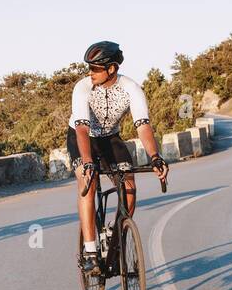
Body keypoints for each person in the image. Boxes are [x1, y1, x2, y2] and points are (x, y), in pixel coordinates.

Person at [68, 41, 168, 270]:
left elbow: (142, 125)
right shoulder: (82, 88)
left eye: (95, 68)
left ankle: (114, 231)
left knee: (129, 187)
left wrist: (155, 156)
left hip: (110, 138)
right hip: (81, 137)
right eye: (89, 68)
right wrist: (87, 162)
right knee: (88, 181)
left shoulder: (131, 88)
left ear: (111, 68)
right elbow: (82, 127)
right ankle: (91, 251)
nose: (90, 73)